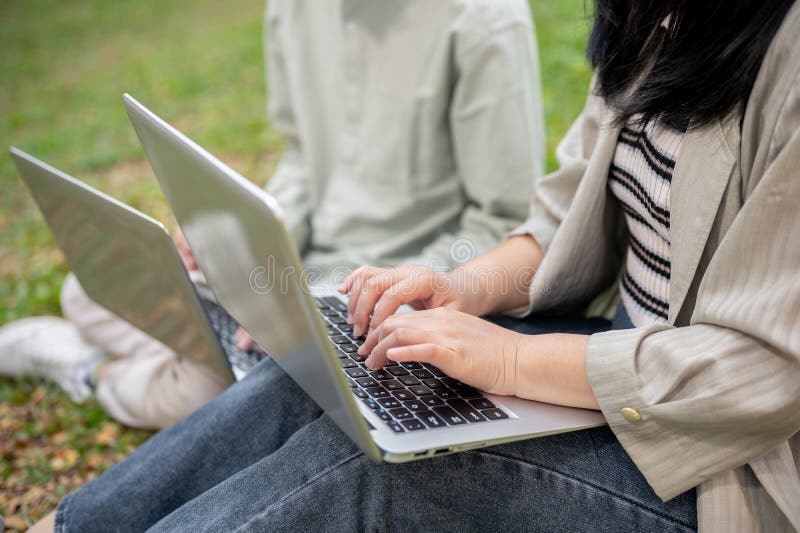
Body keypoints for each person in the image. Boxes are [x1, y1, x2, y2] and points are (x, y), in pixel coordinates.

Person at [33, 0, 800, 530]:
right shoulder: (651, 18)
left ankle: (92, 370)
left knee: (387, 468)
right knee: (333, 375)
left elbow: (767, 367)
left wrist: (511, 355)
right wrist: (461, 288)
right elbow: (556, 219)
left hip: (720, 463)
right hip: (587, 371)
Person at [0, 0, 545, 429]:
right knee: (90, 286)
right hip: (289, 275)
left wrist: (325, 299)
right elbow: (303, 160)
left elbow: (499, 222)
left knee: (210, 395)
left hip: (379, 305)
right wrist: (239, 241)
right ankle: (210, 345)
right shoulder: (291, 6)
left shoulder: (485, 19)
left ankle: (89, 368)